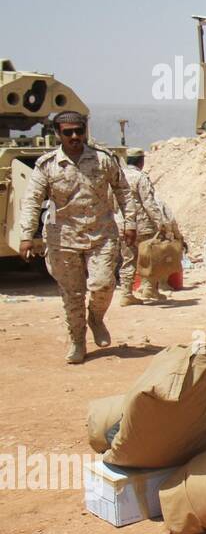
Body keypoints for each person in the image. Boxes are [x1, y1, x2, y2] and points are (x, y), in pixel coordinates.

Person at [17, 111, 136, 363]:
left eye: (79, 131)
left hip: (101, 234)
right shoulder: (47, 165)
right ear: (58, 134)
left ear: (85, 131)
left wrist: (130, 222)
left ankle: (96, 317)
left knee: (103, 284)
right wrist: (26, 235)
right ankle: (77, 340)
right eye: (68, 132)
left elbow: (123, 190)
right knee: (72, 294)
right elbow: (32, 202)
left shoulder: (103, 160)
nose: (74, 136)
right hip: (63, 239)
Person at [119, 149, 182, 305]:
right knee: (151, 258)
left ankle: (126, 293)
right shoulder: (140, 178)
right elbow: (148, 203)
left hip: (124, 225)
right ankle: (150, 289)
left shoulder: (118, 177)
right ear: (141, 161)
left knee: (128, 259)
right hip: (142, 225)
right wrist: (160, 223)